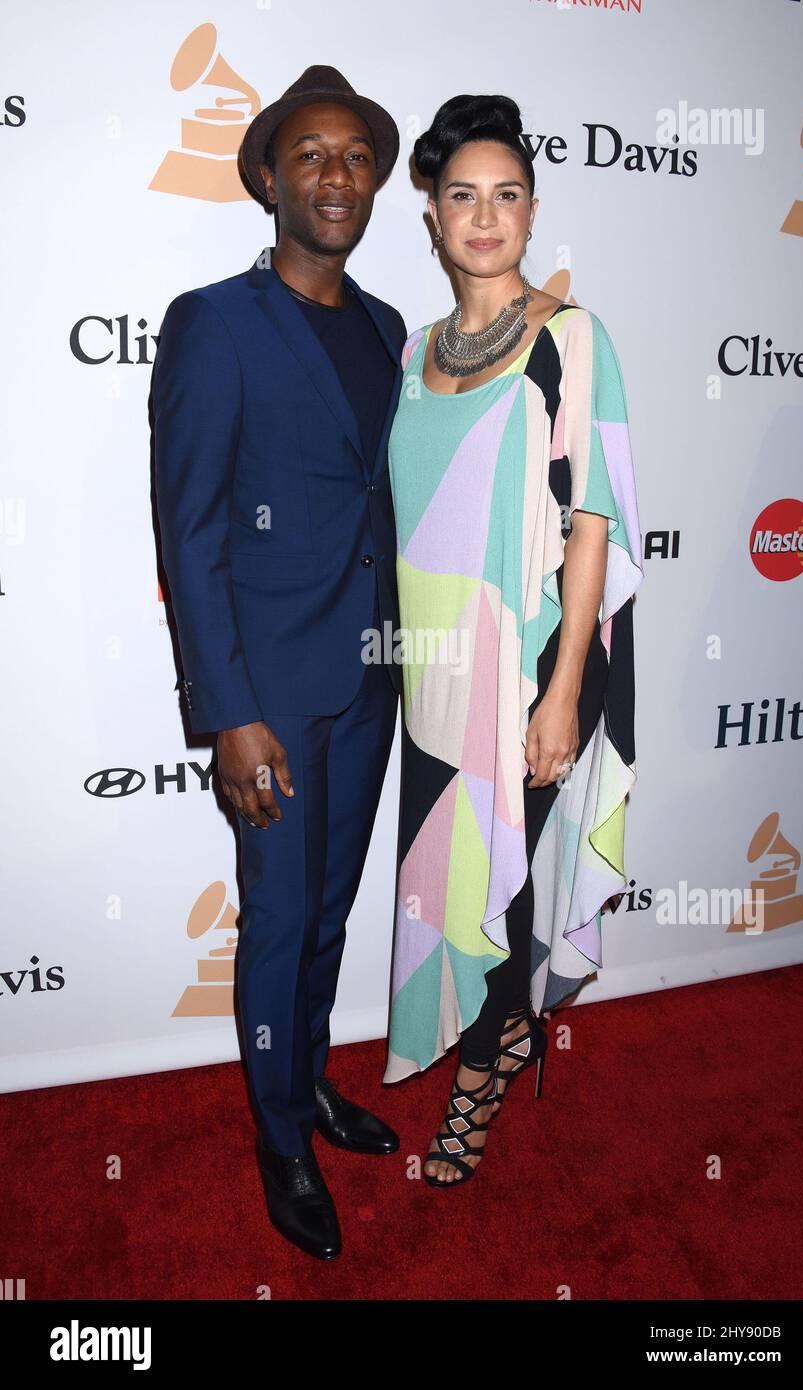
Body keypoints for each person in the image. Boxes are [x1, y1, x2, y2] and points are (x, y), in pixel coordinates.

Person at [151, 66, 407, 1257]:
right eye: (309, 155)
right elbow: (190, 533)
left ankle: (304, 1085)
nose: (335, 175)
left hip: (367, 677)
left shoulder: (386, 326)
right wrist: (227, 712)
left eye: (355, 155)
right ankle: (279, 1137)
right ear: (267, 177)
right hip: (270, 697)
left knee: (330, 917)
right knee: (279, 915)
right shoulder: (215, 322)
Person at [383, 95, 645, 1185]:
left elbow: (596, 520)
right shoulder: (409, 350)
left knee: (509, 875)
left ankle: (480, 1083)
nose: (484, 216)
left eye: (505, 196)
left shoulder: (573, 339)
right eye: (461, 196)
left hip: (533, 661)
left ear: (532, 213)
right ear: (433, 216)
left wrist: (563, 690)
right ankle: (505, 1033)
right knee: (457, 869)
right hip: (435, 675)